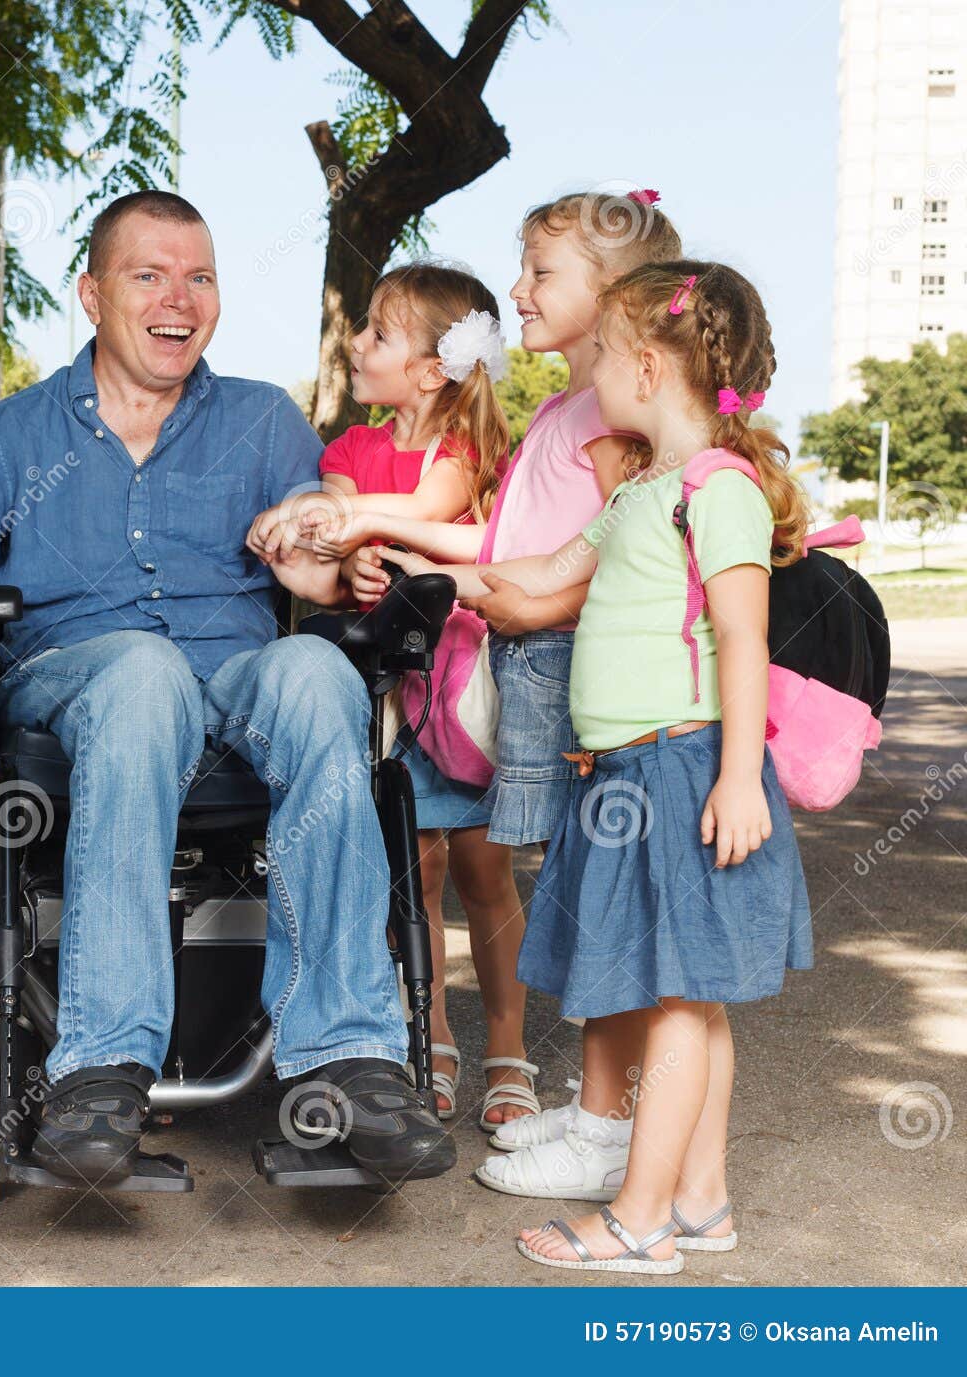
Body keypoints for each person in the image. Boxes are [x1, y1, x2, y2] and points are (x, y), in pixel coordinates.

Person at [0, 189, 450, 1187]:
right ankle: (101, 1067)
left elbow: (321, 580)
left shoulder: (259, 419)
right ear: (92, 293)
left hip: (237, 678)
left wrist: (322, 564)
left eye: (200, 277)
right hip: (78, 684)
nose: (179, 298)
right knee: (143, 672)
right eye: (149, 274)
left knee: (319, 670)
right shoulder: (13, 435)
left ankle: (356, 1060)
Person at [373, 259, 812, 1273]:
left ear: (651, 368)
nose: (593, 379)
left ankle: (641, 1220)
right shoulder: (638, 492)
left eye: (606, 357)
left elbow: (744, 640)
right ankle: (699, 1203)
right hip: (629, 774)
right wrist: (416, 571)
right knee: (688, 1001)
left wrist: (740, 776)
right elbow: (536, 573)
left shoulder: (718, 489)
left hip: (686, 771)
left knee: (675, 1004)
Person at [352, 190, 684, 1184]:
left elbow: (629, 548)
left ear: (614, 291)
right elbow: (514, 550)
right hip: (539, 674)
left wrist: (532, 609)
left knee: (602, 904)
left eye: (541, 273)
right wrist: (406, 552)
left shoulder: (613, 420)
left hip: (587, 691)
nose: (514, 291)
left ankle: (606, 1126)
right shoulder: (562, 410)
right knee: (581, 891)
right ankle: (594, 1113)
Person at [246, 263, 534, 1133]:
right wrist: (324, 539)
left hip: (466, 684)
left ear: (431, 368)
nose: (355, 344)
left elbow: (423, 509)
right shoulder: (349, 451)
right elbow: (341, 518)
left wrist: (361, 528)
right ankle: (432, 1035)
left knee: (486, 868)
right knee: (419, 869)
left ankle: (509, 1047)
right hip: (390, 688)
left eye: (377, 333)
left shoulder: (466, 452)